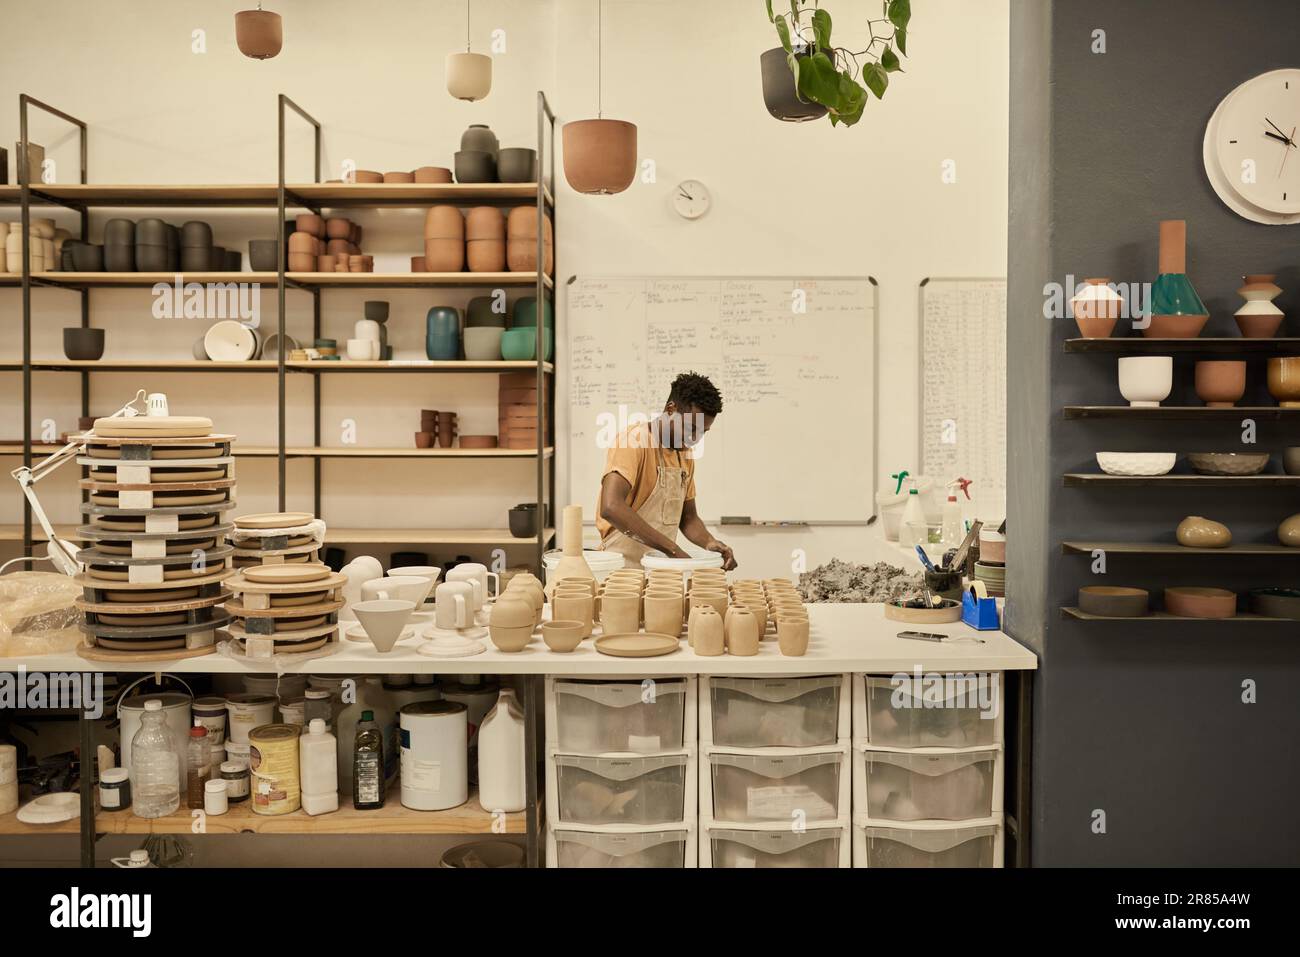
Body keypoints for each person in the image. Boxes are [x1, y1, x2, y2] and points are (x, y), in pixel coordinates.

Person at [596, 371, 737, 570]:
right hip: (620, 569)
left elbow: (688, 518)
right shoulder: (634, 442)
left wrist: (709, 541)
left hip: (658, 570)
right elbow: (611, 507)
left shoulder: (684, 455)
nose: (695, 439)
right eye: (690, 428)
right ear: (671, 409)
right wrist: (673, 550)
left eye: (702, 432)